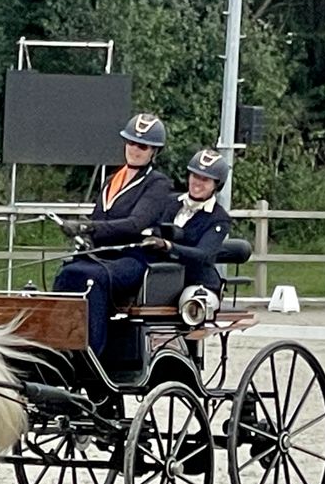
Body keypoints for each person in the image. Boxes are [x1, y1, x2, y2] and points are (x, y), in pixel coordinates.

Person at [52, 112, 172, 355]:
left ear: (153, 152)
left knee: (91, 278)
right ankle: (58, 341)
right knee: (67, 272)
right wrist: (85, 235)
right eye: (130, 142)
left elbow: (136, 223)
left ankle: (91, 349)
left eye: (142, 146)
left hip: (134, 258)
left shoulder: (158, 184)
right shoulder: (111, 180)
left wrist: (89, 227)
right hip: (102, 255)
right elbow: (99, 220)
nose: (134, 149)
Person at [141, 148, 234, 316]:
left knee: (191, 307)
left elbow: (203, 254)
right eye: (195, 176)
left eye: (205, 179)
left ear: (216, 185)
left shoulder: (219, 218)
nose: (197, 182)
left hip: (197, 283)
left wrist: (169, 246)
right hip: (162, 279)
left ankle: (190, 342)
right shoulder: (170, 202)